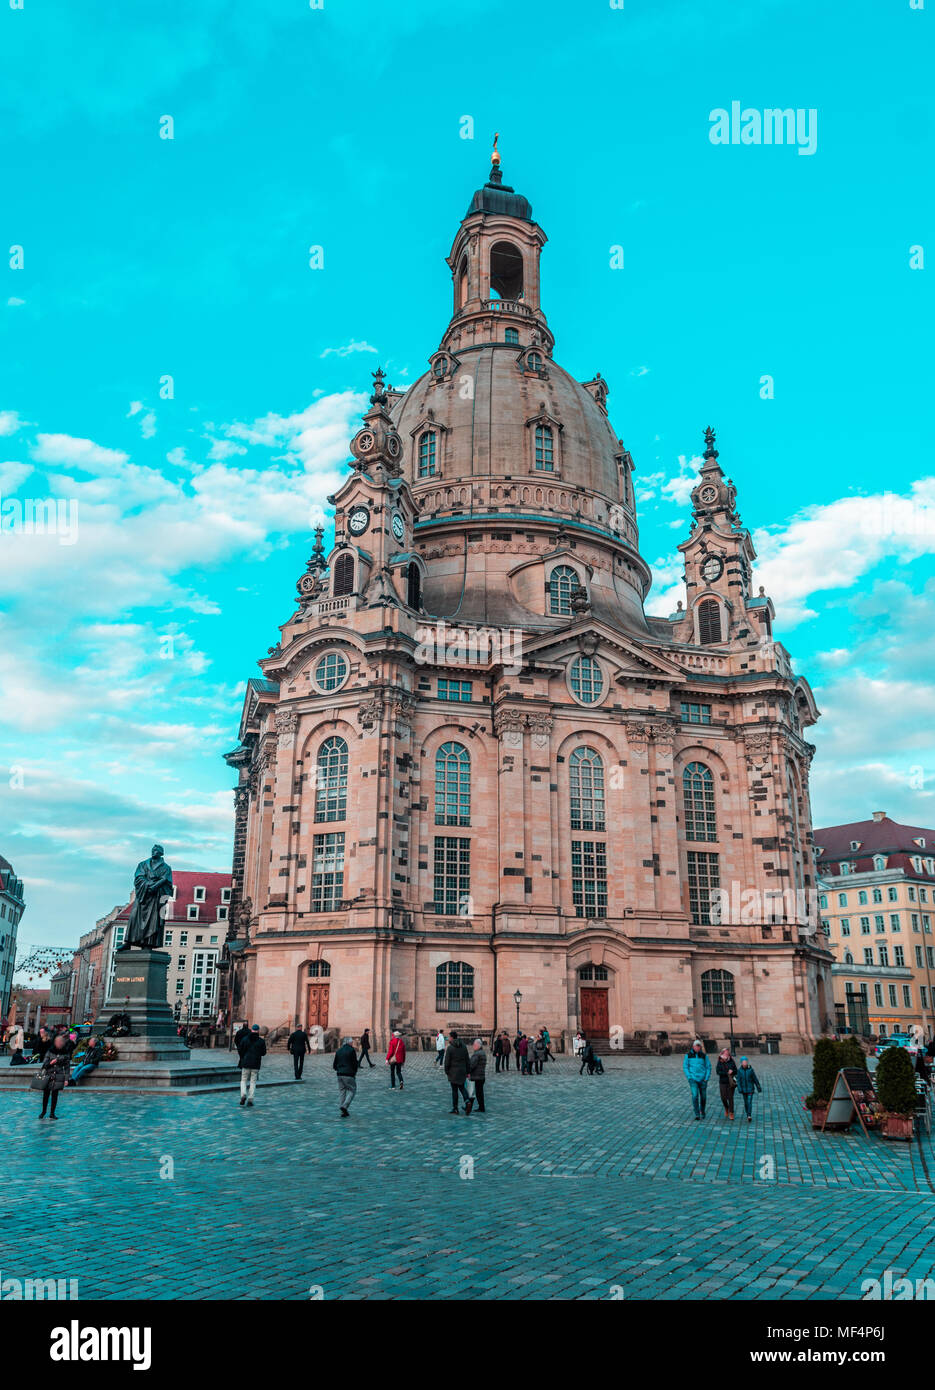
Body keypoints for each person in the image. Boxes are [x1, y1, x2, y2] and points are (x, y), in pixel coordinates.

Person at [38, 1034, 70, 1118]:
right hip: (48, 1075)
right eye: (58, 1042)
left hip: (58, 1076)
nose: (59, 1043)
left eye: (61, 1042)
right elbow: (44, 1064)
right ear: (55, 1042)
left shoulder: (65, 1053)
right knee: (46, 1095)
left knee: (55, 1095)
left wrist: (66, 1079)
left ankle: (52, 1113)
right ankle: (43, 1111)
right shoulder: (50, 1051)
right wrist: (50, 1063)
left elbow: (67, 1067)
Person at [238, 1024, 266, 1107]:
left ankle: (243, 1095)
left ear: (252, 1030)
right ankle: (250, 1099)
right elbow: (263, 1053)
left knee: (243, 1080)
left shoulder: (245, 1039)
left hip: (246, 1062)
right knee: (253, 1082)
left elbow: (240, 1050)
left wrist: (243, 1056)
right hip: (256, 1063)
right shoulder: (261, 1041)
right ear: (258, 1030)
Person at [683, 1039, 711, 1120]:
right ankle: (697, 1113)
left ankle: (702, 1110)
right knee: (695, 1096)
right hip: (693, 1079)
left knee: (703, 1097)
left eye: (699, 1046)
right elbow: (685, 1067)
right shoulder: (688, 1055)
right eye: (696, 1046)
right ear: (693, 1046)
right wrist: (689, 1077)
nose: (698, 1048)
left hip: (703, 1080)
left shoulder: (704, 1056)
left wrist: (706, 1078)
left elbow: (708, 1067)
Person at [444, 1030, 470, 1114]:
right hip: (462, 1071)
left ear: (452, 1037)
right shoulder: (464, 1046)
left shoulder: (450, 1047)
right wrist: (468, 1071)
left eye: (449, 1037)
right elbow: (467, 1060)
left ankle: (455, 1108)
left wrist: (446, 1071)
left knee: (454, 1090)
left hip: (453, 1072)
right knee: (462, 1087)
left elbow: (447, 1061)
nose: (448, 1038)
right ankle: (467, 1101)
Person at [333, 1036, 359, 1116]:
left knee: (342, 1092)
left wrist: (339, 1070)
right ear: (349, 1042)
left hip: (339, 1074)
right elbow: (355, 1063)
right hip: (349, 1074)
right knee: (352, 1090)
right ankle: (344, 1106)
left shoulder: (338, 1051)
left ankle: (343, 1111)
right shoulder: (352, 1050)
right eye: (351, 1042)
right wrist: (354, 1073)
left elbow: (334, 1065)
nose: (352, 1043)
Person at [734, 1056, 762, 1121]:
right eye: (743, 1062)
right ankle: (747, 1113)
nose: (745, 1063)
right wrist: (739, 1088)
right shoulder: (739, 1071)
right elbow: (739, 1081)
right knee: (746, 1103)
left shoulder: (751, 1070)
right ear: (741, 1063)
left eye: (746, 1062)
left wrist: (758, 1086)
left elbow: (755, 1079)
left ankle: (749, 1115)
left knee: (749, 1102)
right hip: (743, 1090)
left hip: (750, 1089)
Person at [716, 1046, 739, 1120]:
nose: (727, 1055)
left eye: (728, 1054)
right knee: (723, 1098)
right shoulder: (720, 1061)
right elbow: (718, 1072)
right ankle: (726, 1107)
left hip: (731, 1082)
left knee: (730, 1098)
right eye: (725, 1053)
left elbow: (736, 1070)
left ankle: (731, 1112)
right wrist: (726, 1073)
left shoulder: (731, 1061)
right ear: (722, 1054)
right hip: (723, 1082)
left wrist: (732, 1071)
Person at [466, 1038, 487, 1114]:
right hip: (481, 1076)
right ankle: (480, 1107)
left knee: (473, 1093)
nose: (473, 1046)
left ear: (478, 1045)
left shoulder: (477, 1054)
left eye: (474, 1045)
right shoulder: (482, 1052)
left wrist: (467, 1071)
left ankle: (469, 1106)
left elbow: (472, 1065)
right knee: (478, 1093)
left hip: (477, 1076)